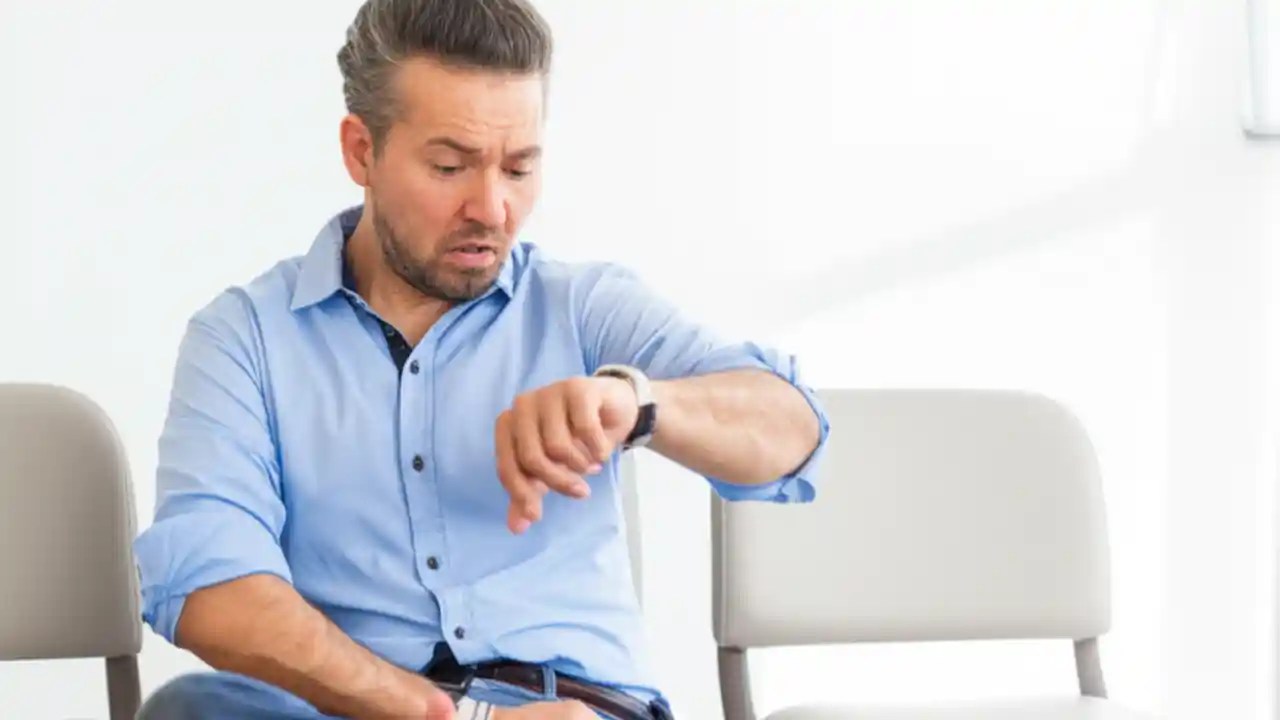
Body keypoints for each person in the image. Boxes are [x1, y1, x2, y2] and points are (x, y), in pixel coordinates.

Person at [132, 0, 829, 718]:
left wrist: (637, 403)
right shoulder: (244, 339)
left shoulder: (581, 307)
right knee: (194, 710)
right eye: (449, 167)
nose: (492, 209)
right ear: (361, 151)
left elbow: (793, 433)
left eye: (519, 168)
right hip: (372, 714)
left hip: (580, 713)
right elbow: (209, 585)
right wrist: (444, 715)